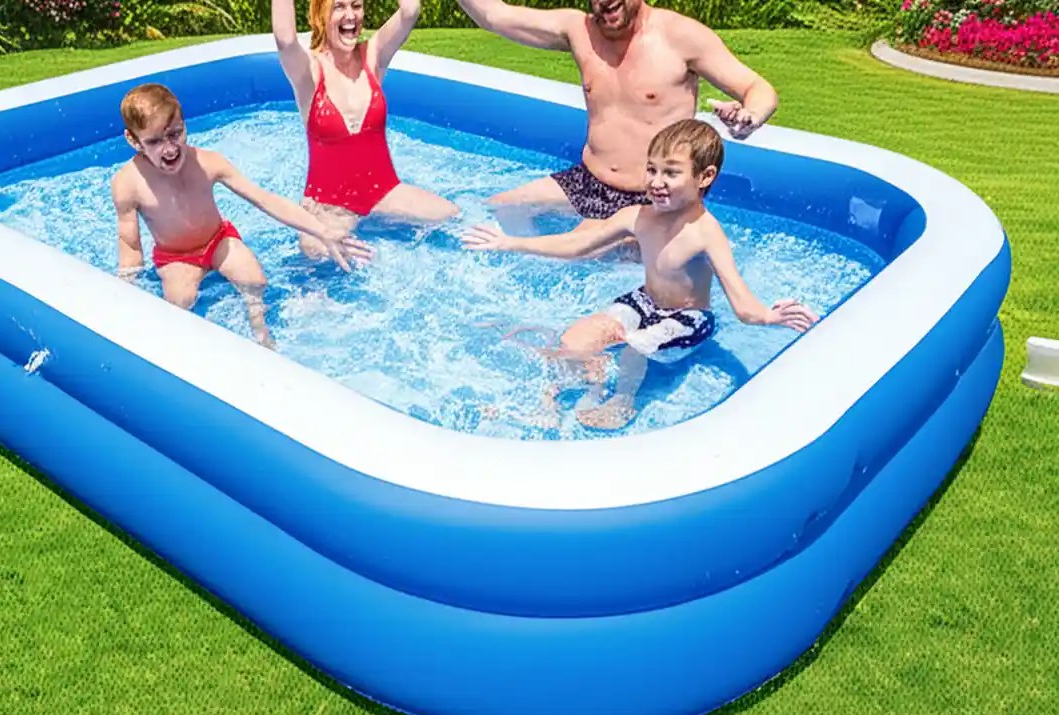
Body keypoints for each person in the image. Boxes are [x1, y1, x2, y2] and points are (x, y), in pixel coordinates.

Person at [462, 119, 818, 430]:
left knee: (637, 347)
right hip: (644, 301)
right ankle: (556, 402)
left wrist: (769, 316)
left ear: (705, 177)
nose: (657, 182)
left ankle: (623, 398)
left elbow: (740, 302)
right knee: (576, 339)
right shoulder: (638, 216)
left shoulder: (705, 232)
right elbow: (578, 245)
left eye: (672, 172)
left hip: (688, 318)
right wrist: (511, 242)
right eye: (652, 169)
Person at [455, 0, 778, 234]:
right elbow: (493, 15)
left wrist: (749, 116)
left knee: (584, 250)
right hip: (587, 181)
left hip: (654, 196)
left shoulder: (680, 36)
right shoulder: (578, 29)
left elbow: (757, 88)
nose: (605, 5)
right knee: (505, 207)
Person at [111, 83, 369, 348]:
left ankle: (263, 337)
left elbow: (263, 199)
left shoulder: (208, 162)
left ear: (184, 123)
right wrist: (127, 289)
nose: (169, 149)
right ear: (133, 140)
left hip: (218, 240)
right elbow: (130, 244)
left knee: (255, 281)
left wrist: (322, 231)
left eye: (176, 134)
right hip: (175, 256)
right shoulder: (128, 184)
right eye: (154, 141)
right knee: (179, 305)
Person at [272, 0, 460, 264]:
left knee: (455, 220)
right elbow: (285, 39)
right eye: (339, 7)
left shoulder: (372, 55)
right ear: (320, 15)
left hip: (383, 192)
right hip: (330, 205)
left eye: (356, 6)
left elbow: (410, 11)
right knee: (316, 255)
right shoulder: (308, 71)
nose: (351, 16)